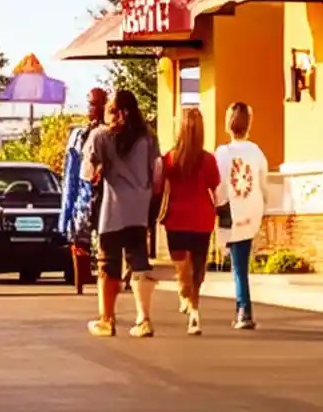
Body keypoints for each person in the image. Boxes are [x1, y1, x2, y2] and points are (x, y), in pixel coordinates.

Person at [82, 90, 162, 338]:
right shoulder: (148, 138)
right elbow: (158, 172)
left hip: (112, 209)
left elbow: (86, 173)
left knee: (107, 263)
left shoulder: (100, 137)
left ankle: (107, 320)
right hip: (139, 210)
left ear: (115, 112)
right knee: (139, 261)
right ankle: (144, 319)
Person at [160, 107, 221, 336]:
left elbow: (159, 184)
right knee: (197, 267)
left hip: (176, 217)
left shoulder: (170, 158)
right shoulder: (208, 160)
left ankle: (184, 292)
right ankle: (194, 308)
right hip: (202, 217)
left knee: (181, 263)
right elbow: (216, 187)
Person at [214, 102, 269, 330]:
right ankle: (242, 308)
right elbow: (263, 184)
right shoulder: (256, 152)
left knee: (238, 266)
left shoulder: (223, 153)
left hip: (232, 212)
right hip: (251, 210)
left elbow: (218, 187)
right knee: (240, 263)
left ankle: (244, 309)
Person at [61, 87, 107, 295]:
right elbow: (70, 174)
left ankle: (107, 278)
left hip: (108, 196)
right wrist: (66, 211)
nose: (93, 108)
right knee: (79, 237)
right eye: (90, 104)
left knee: (108, 240)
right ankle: (81, 279)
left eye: (97, 104)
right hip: (85, 196)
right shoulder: (79, 135)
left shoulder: (114, 133)